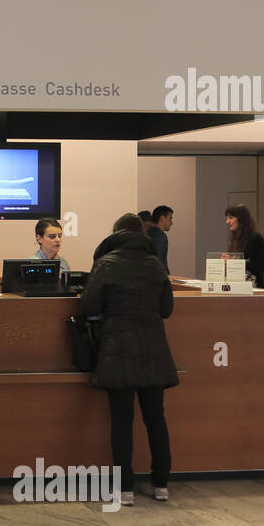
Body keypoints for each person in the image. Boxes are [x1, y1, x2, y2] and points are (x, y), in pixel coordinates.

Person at [79, 212, 178, 505]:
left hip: (117, 350)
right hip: (153, 349)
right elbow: (167, 309)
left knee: (122, 421)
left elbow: (89, 305)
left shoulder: (107, 264)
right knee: (155, 419)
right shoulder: (155, 264)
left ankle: (124, 489)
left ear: (116, 234)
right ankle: (161, 484)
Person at [224, 204, 264, 288]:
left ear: (241, 219)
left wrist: (236, 262)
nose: (227, 222)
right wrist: (227, 260)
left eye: (230, 218)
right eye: (227, 218)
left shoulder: (255, 238)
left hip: (253, 289)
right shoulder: (235, 239)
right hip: (236, 287)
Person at [146, 205, 173, 274]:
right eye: (170, 218)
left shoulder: (148, 232)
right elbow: (158, 261)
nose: (172, 222)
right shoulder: (160, 236)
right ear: (162, 219)